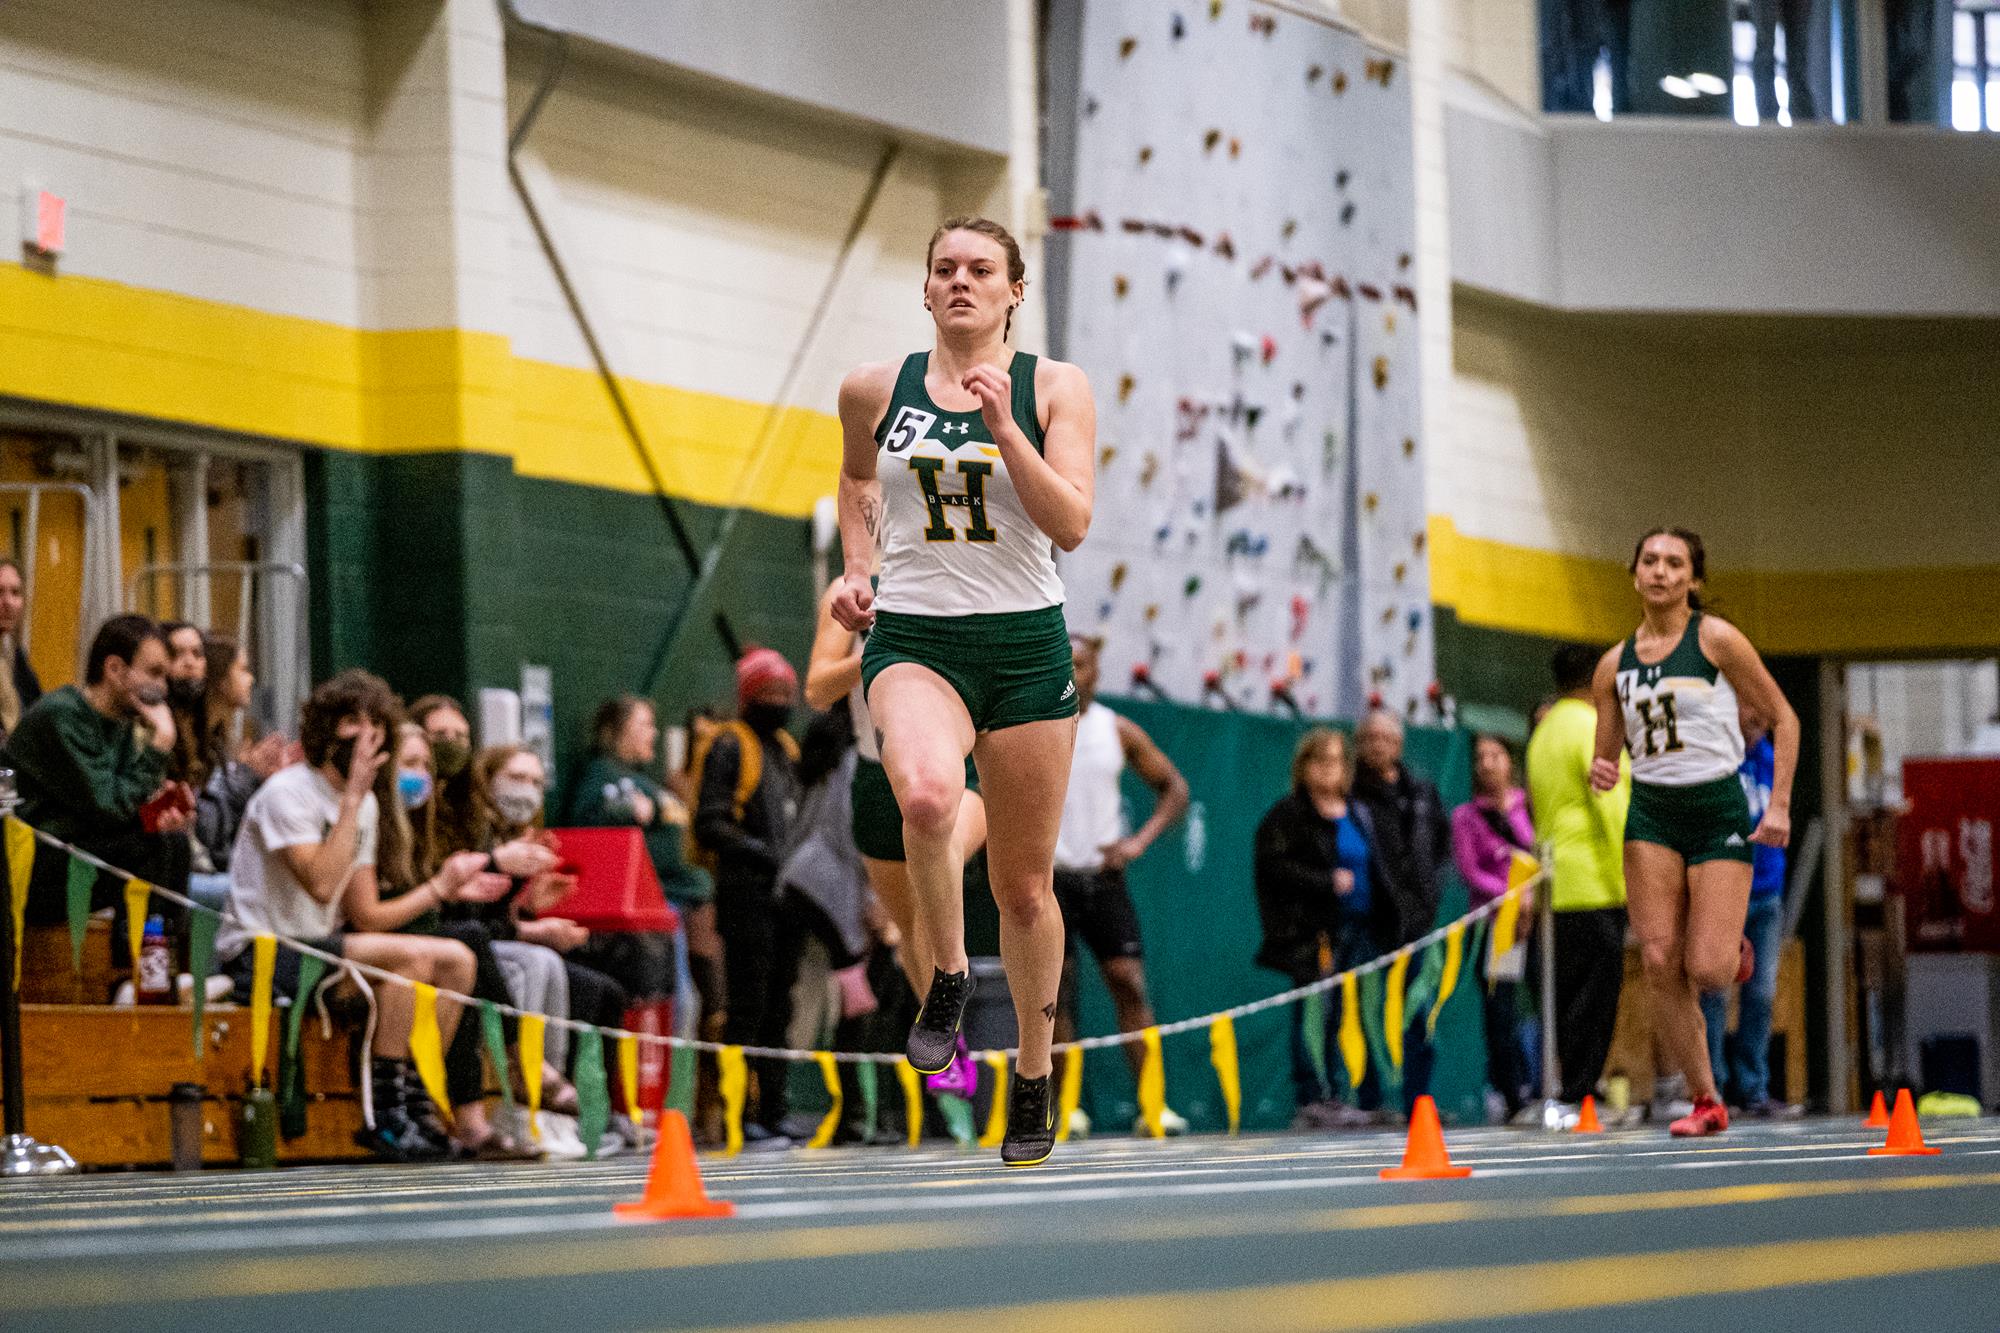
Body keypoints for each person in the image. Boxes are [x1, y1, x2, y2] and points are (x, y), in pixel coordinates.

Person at [831, 216, 1095, 1167]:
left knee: (1023, 889)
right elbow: (857, 478)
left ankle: (1033, 1070)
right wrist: (857, 567)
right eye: (944, 267)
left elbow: (1072, 522)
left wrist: (1006, 431)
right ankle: (945, 973)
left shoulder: (1054, 387)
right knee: (927, 796)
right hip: (916, 636)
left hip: (1023, 644)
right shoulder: (874, 388)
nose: (960, 281)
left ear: (1014, 290)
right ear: (926, 286)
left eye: (981, 269)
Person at [216, 670, 508, 1161]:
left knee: (458, 960)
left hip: (319, 948)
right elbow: (321, 882)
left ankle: (416, 1102)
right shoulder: (289, 793)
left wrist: (440, 888)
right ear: (327, 728)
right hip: (262, 952)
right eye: (353, 721)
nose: (365, 734)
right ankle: (387, 1115)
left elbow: (367, 914)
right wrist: (351, 800)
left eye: (376, 724)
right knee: (408, 963)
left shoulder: (368, 804)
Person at [1591, 527, 1798, 1138]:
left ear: (1694, 579)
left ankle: (1729, 947)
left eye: (1674, 563)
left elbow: (1785, 717)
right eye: (1650, 561)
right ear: (1634, 574)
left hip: (1715, 808)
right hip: (1652, 812)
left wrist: (1779, 805)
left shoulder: (1716, 639)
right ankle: (1706, 1099)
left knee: (1707, 971)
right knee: (1659, 961)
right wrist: (1602, 769)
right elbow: (1607, 754)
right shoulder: (1613, 665)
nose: (1660, 571)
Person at [804, 568, 989, 1001]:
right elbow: (816, 690)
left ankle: (950, 997)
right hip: (879, 775)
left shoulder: (969, 579)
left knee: (931, 886)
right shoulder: (855, 592)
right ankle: (947, 1035)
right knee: (908, 932)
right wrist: (882, 651)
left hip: (959, 766)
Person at [1052, 634, 1189, 1137]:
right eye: (1064, 662)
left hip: (1104, 879)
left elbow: (1174, 788)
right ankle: (1064, 1108)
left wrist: (1136, 844)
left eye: (1081, 664)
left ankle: (1153, 1105)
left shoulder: (1118, 730)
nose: (1072, 672)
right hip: (1050, 880)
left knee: (1128, 984)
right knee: (1054, 995)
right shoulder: (1035, 726)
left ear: (1096, 672)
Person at [3, 614, 194, 970]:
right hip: (26, 866)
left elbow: (120, 808)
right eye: (154, 673)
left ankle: (164, 970)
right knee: (149, 847)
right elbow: (108, 807)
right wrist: (160, 746)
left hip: (73, 854)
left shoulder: (120, 724)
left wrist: (157, 810)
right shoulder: (61, 716)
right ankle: (130, 974)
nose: (163, 688)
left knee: (174, 844)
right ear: (115, 669)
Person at [1253, 728, 1393, 1127]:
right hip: (1314, 931)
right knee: (1318, 1012)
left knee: (1357, 1012)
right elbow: (1273, 866)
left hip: (1361, 927)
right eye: (1321, 760)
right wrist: (1324, 880)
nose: (1330, 769)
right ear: (1305, 766)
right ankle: (1314, 1096)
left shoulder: (1358, 811)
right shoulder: (1289, 814)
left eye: (1337, 761)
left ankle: (1361, 1095)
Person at [693, 648, 803, 1148]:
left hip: (786, 898)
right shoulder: (729, 745)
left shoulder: (785, 749)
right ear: (747, 696)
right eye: (769, 693)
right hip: (746, 896)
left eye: (786, 693)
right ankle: (738, 1114)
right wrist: (765, 854)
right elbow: (710, 822)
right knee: (748, 1008)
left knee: (780, 1009)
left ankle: (774, 1111)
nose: (780, 702)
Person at [567, 695, 713, 1039]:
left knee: (688, 1003)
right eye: (645, 724)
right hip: (647, 911)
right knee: (678, 1004)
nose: (654, 733)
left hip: (674, 902)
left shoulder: (641, 778)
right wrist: (626, 809)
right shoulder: (603, 776)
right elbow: (589, 826)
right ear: (618, 730)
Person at [1525, 643, 1631, 1115]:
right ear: (1598, 680)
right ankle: (1581, 1091)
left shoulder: (1544, 731)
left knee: (1566, 997)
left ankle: (1573, 1088)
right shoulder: (1593, 727)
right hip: (1594, 882)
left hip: (1555, 886)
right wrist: (1635, 879)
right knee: (1596, 997)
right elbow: (1612, 806)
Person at [1699, 702, 1801, 1117]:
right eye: (1750, 712)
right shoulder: (1718, 757)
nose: (1756, 722)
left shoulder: (1771, 758)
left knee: (1761, 993)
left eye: (1763, 716)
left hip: (1766, 891)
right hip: (1725, 889)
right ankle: (1713, 1087)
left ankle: (1753, 1087)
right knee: (1716, 990)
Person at [1349, 709, 1448, 1111]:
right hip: (1369, 923)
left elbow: (1441, 847)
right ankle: (1369, 1102)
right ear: (1359, 744)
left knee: (1418, 1012)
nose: (1379, 745)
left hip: (1417, 922)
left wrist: (1428, 897)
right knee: (1366, 1011)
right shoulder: (1350, 795)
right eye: (1371, 737)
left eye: (1387, 738)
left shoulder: (1421, 793)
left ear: (1399, 744)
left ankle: (1418, 1100)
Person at [1451, 734, 1536, 1121]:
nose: (1487, 763)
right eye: (1480, 757)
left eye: (1495, 755)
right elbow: (1471, 872)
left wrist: (1531, 901)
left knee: (1549, 1000)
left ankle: (1551, 1086)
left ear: (1509, 761)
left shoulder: (1529, 806)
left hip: (1535, 922)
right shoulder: (1466, 817)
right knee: (1501, 1009)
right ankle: (1511, 1092)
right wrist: (1513, 898)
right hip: (1495, 927)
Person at [193, 633, 288, 874]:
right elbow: (208, 829)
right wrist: (247, 775)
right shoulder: (194, 739)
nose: (251, 678)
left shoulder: (219, 739)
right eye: (243, 669)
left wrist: (256, 777)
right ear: (221, 678)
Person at [0, 558, 44, 744]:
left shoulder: (13, 652)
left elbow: (38, 706)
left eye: (15, 593)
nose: (8, 602)